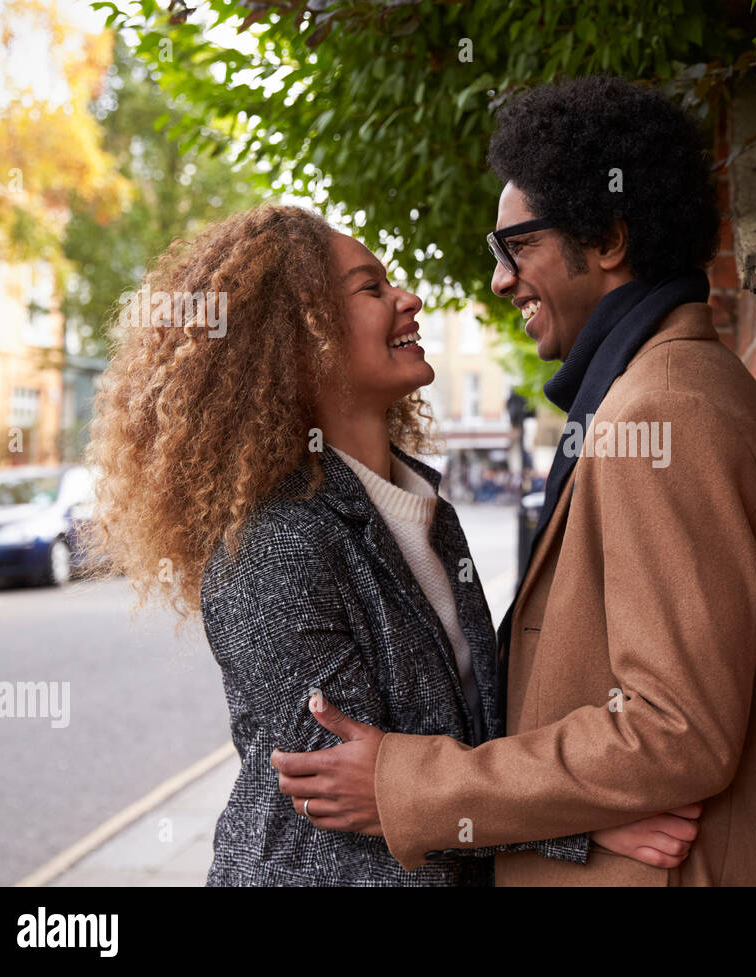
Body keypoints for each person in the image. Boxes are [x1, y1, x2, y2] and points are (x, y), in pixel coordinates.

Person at [277, 75, 756, 885]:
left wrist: (407, 782)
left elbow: (677, 730)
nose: (499, 280)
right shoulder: (649, 396)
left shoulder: (661, 417)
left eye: (517, 246)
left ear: (608, 240)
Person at [83, 203, 699, 885]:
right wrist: (581, 820)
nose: (408, 300)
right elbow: (357, 792)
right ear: (300, 338)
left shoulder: (427, 510)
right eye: (372, 289)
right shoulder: (272, 545)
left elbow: (451, 746)